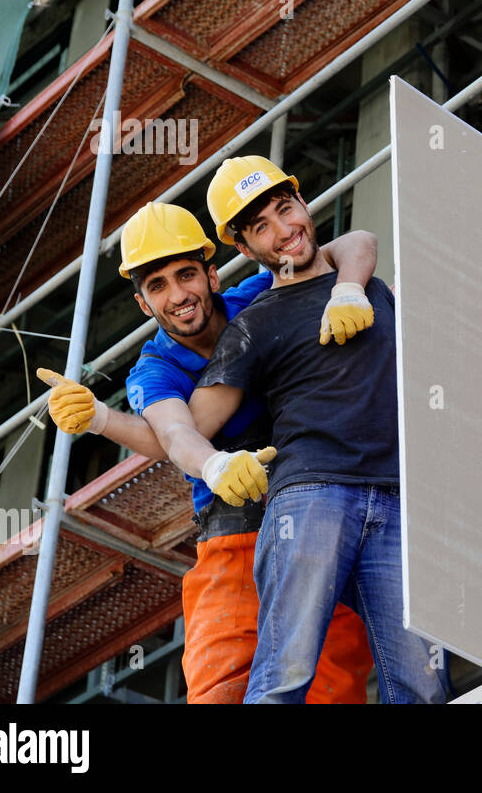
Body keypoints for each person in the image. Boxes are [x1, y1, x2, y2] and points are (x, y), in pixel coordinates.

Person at [39, 199, 378, 702]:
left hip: (323, 510)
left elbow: (356, 243)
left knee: (330, 681)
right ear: (143, 304)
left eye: (186, 275)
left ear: (212, 276)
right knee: (220, 686)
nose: (178, 295)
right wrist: (214, 463)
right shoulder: (153, 369)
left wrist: (347, 287)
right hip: (234, 533)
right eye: (157, 286)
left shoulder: (261, 294)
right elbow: (176, 435)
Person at [168, 155, 449, 704]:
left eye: (285, 208)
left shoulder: (373, 287)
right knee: (284, 679)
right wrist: (110, 421)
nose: (284, 230)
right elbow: (191, 426)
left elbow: (359, 243)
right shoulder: (255, 321)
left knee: (423, 685)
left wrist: (352, 288)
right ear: (245, 250)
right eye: (260, 228)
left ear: (302, 202)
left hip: (397, 500)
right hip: (311, 498)